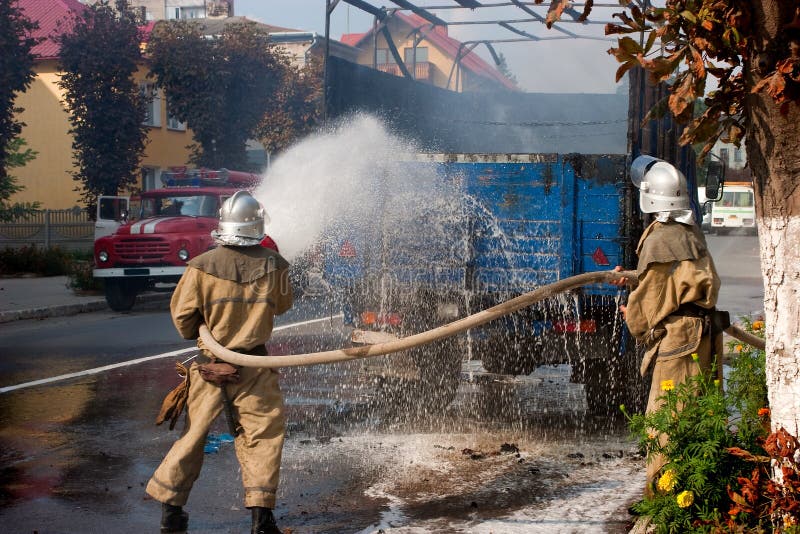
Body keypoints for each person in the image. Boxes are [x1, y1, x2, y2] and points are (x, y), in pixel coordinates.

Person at [146, 190, 292, 534]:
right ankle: (261, 519)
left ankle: (171, 513)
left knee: (192, 438)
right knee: (263, 437)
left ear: (222, 225)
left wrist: (210, 326)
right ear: (257, 225)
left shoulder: (199, 266)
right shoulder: (277, 265)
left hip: (209, 367)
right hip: (254, 367)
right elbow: (282, 306)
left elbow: (183, 320)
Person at [612, 156, 723, 495]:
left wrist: (631, 312)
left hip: (681, 339)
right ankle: (696, 491)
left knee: (667, 421)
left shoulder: (660, 238)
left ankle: (665, 501)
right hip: (704, 333)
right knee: (700, 414)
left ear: (651, 197)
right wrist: (636, 281)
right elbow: (673, 282)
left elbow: (649, 303)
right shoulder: (688, 230)